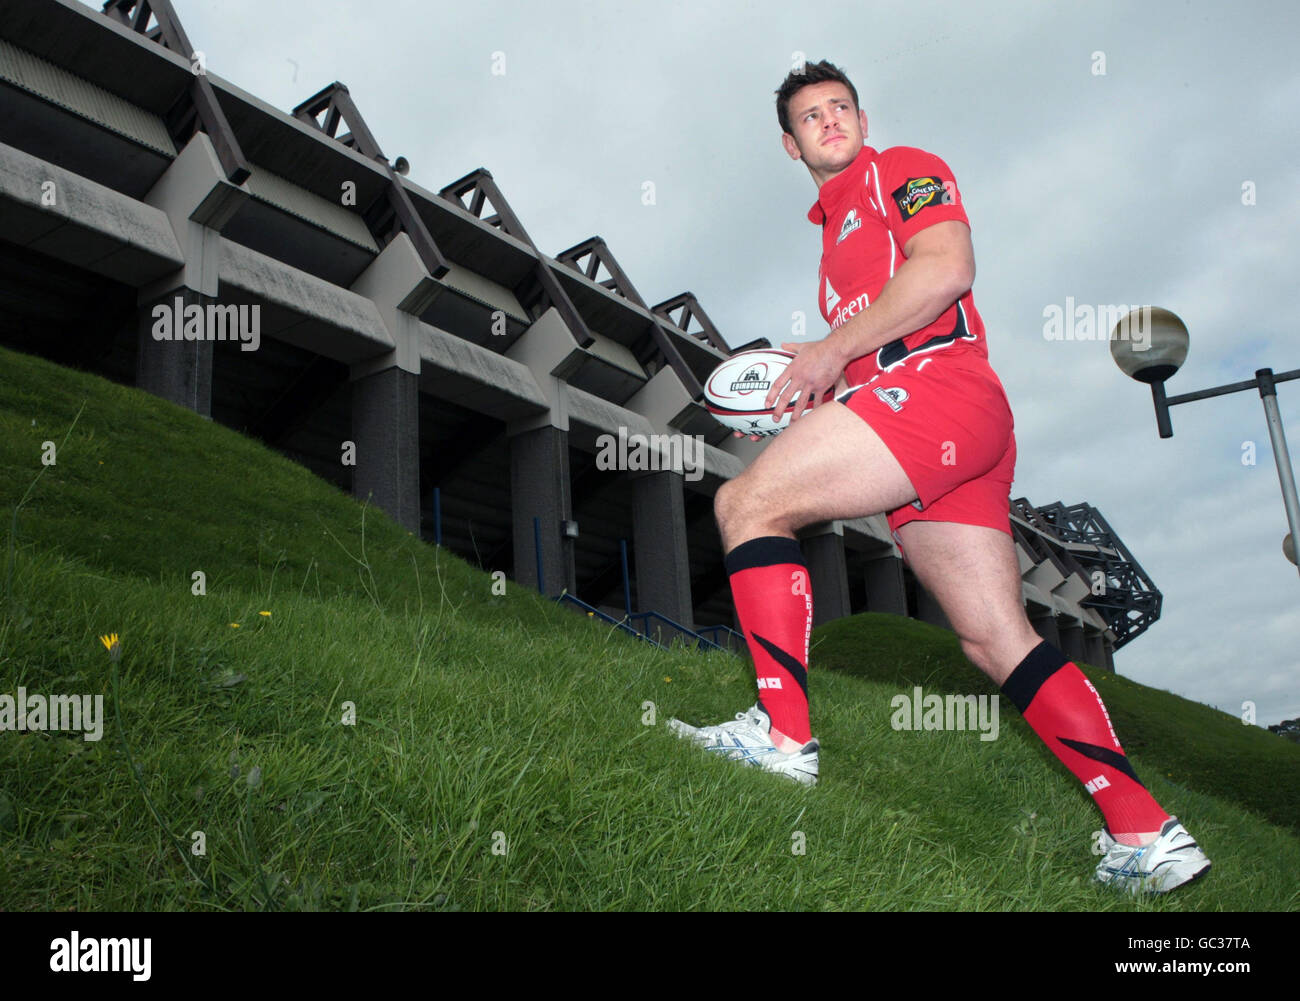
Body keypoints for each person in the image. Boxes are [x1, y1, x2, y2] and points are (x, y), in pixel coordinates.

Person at [669, 59, 1210, 894]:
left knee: (748, 501)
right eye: (811, 116)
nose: (831, 121)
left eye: (841, 107)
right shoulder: (831, 236)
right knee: (995, 638)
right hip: (945, 424)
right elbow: (867, 342)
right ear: (790, 145)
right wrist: (821, 384)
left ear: (861, 116)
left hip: (941, 393)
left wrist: (830, 353)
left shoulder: (903, 168)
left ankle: (782, 741)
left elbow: (946, 268)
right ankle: (1146, 832)